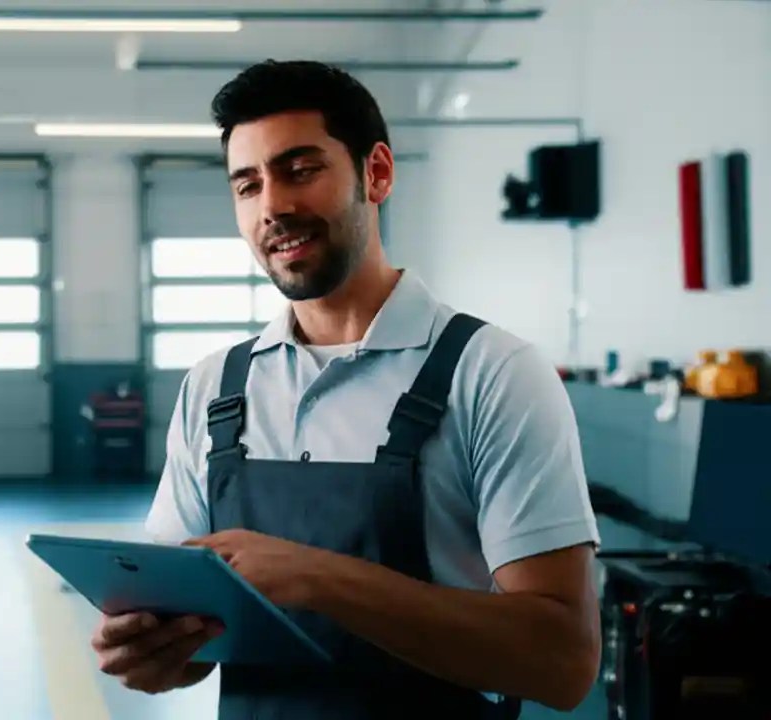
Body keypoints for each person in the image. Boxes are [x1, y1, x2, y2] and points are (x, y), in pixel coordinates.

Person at [91, 60, 602, 718]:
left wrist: (316, 576)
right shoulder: (213, 388)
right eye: (248, 185)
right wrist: (155, 653)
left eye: (301, 170)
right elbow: (190, 633)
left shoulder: (493, 374)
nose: (272, 207)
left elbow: (563, 663)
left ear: (376, 173)